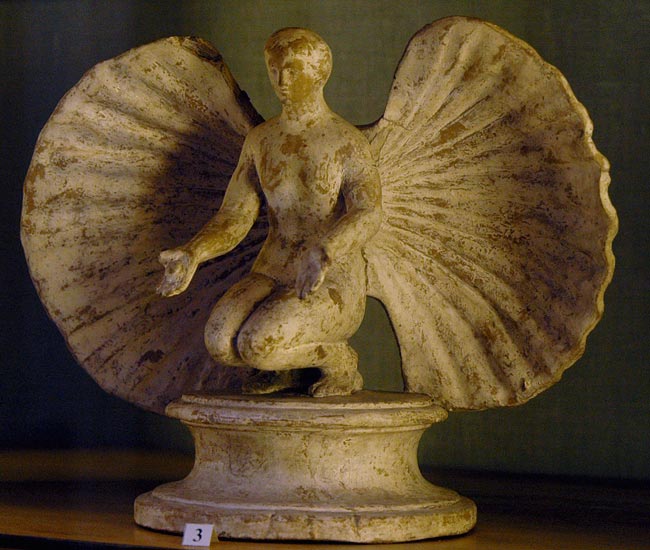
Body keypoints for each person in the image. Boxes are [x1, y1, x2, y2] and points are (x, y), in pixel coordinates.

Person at [157, 28, 381, 396]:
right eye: (274, 69)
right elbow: (235, 215)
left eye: (293, 70)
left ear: (320, 73)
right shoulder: (261, 140)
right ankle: (286, 370)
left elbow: (368, 211)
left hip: (330, 278)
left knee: (257, 346)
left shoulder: (346, 142)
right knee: (220, 342)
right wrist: (193, 252)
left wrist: (327, 249)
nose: (282, 80)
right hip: (272, 268)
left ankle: (339, 361)